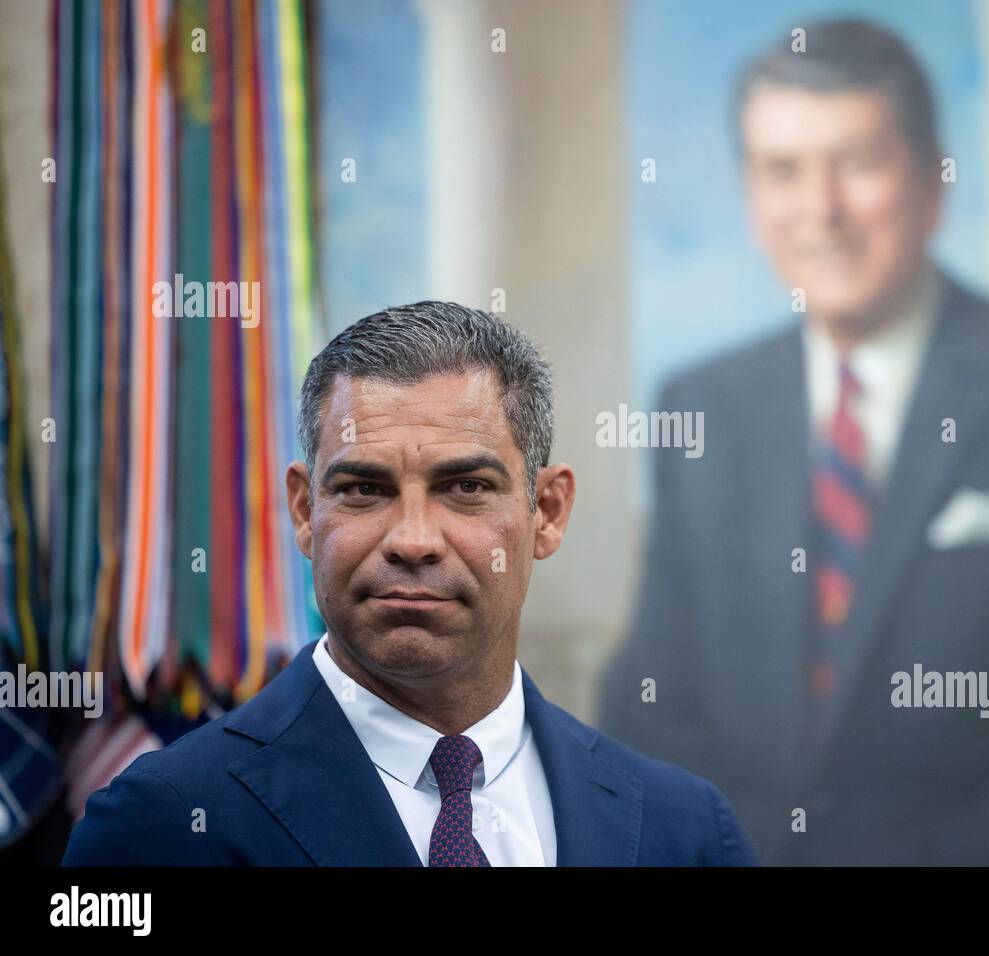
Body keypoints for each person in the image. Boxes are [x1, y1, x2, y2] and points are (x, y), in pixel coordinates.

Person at [598, 19, 989, 866]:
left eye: (858, 163)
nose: (821, 211)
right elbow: (647, 718)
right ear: (750, 195)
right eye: (783, 171)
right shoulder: (700, 409)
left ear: (931, 182)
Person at [64, 301, 758, 866]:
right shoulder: (161, 825)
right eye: (365, 490)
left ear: (546, 512)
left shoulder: (685, 831)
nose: (414, 540)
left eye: (466, 487)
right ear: (306, 512)